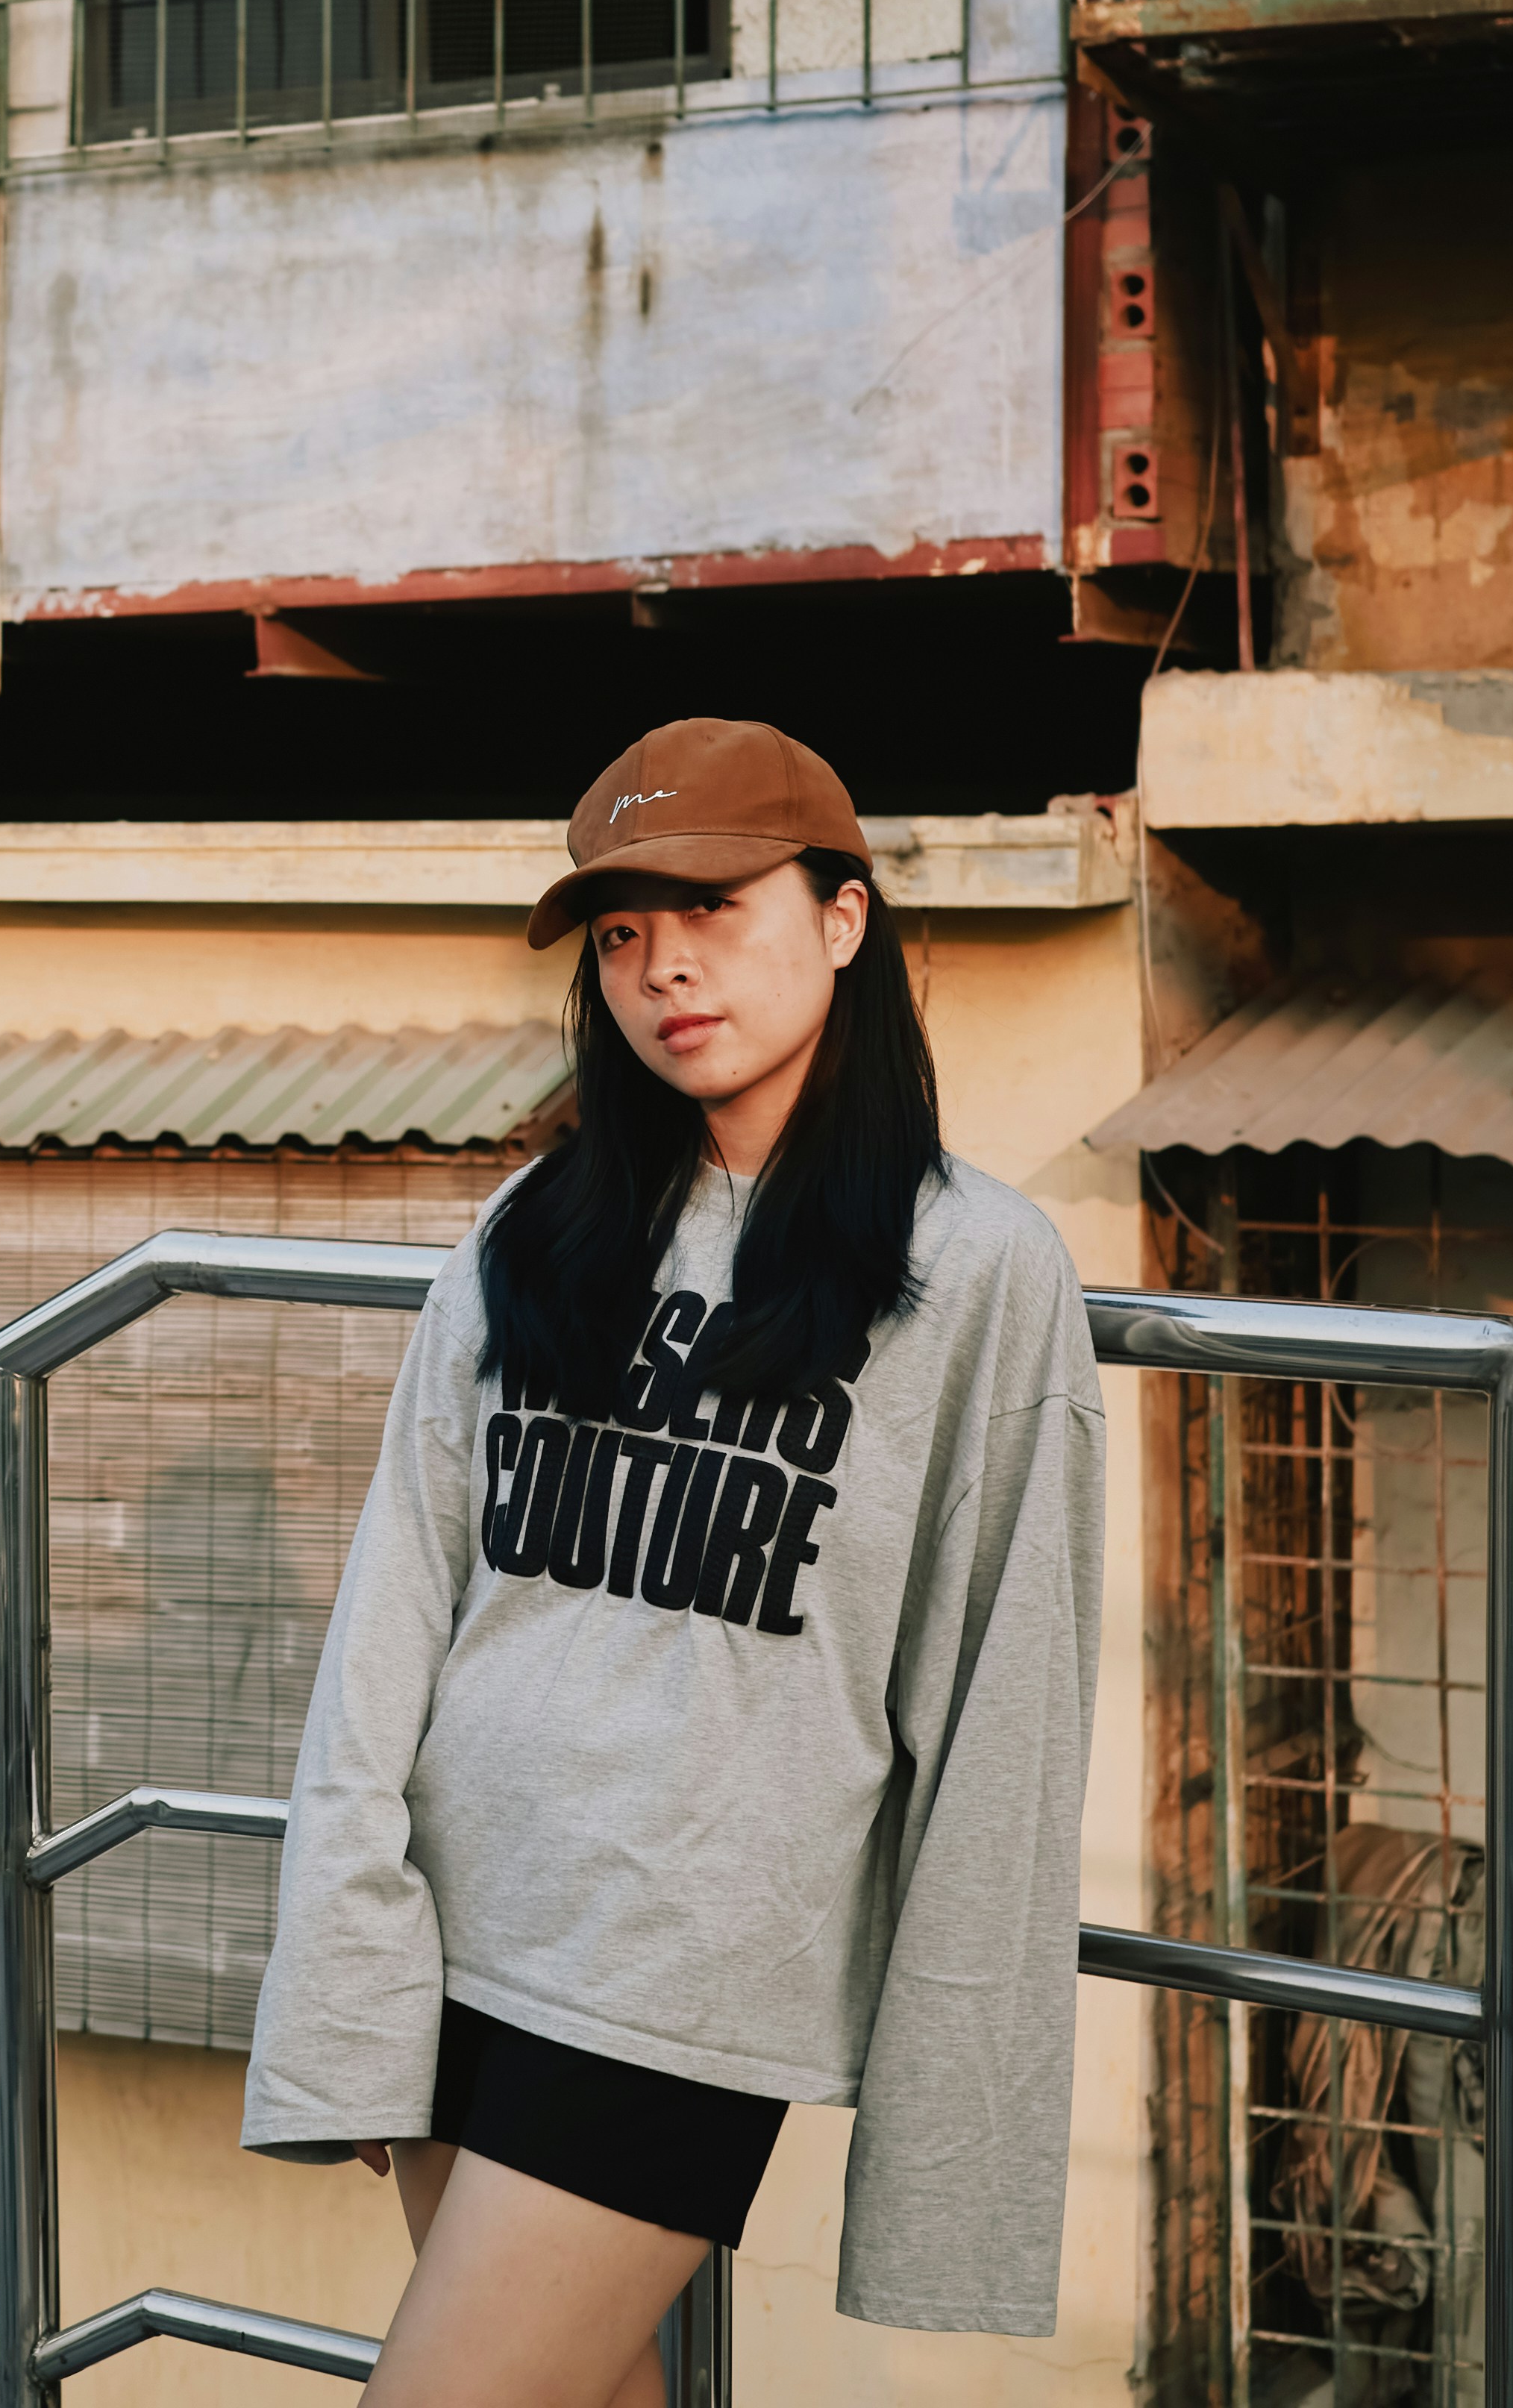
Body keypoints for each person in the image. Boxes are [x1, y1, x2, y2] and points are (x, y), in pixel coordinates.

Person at [242, 715, 1109, 2405]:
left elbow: (1006, 1719)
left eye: (713, 908)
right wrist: (351, 1964)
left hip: (682, 1981)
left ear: (845, 919)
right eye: (625, 932)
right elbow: (396, 1617)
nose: (664, 968)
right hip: (454, 1924)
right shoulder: (535, 1231)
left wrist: (952, 2129)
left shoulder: (978, 1268)